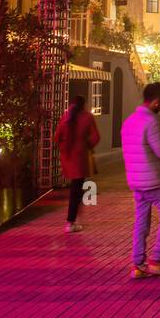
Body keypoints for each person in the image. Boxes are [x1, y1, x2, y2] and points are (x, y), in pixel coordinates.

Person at [121, 82, 160, 278]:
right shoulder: (151, 121)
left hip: (137, 182)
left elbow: (143, 147)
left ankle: (138, 264)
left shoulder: (129, 121)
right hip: (154, 180)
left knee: (141, 221)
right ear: (156, 102)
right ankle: (157, 260)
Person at [53, 95, 100, 234]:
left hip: (67, 158)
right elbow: (95, 137)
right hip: (80, 159)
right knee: (76, 190)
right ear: (84, 105)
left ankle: (76, 219)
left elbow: (57, 137)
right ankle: (71, 222)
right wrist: (86, 144)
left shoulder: (66, 117)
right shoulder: (87, 117)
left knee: (76, 189)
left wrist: (64, 148)